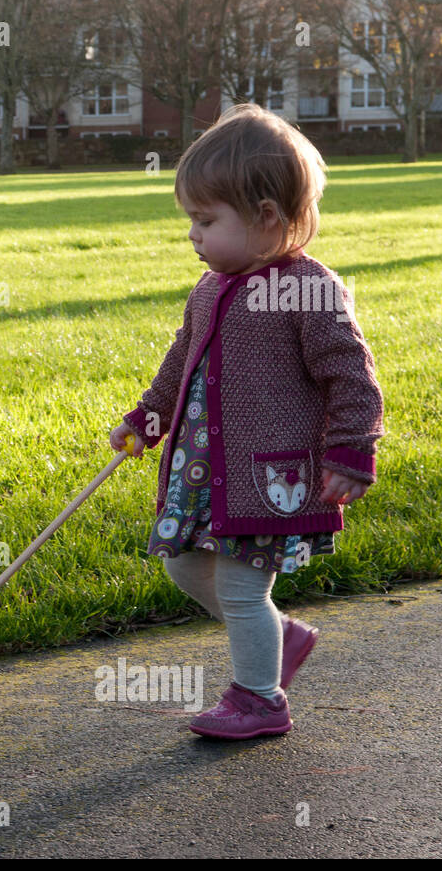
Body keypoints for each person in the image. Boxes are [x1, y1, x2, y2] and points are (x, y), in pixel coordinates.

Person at [108, 104, 385, 739]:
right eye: (191, 221)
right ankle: (277, 636)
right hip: (206, 467)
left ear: (265, 218)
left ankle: (260, 700)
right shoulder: (209, 288)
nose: (193, 236)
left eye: (206, 220)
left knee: (240, 589)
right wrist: (149, 416)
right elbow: (182, 357)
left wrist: (351, 450)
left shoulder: (308, 289)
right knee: (182, 564)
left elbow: (351, 373)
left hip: (268, 476)